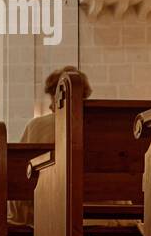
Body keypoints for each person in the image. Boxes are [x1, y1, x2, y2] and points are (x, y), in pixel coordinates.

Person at [9, 67, 92, 227]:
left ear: (58, 96)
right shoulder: (103, 125)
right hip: (98, 211)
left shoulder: (36, 127)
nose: (49, 107)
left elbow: (19, 176)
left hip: (47, 211)